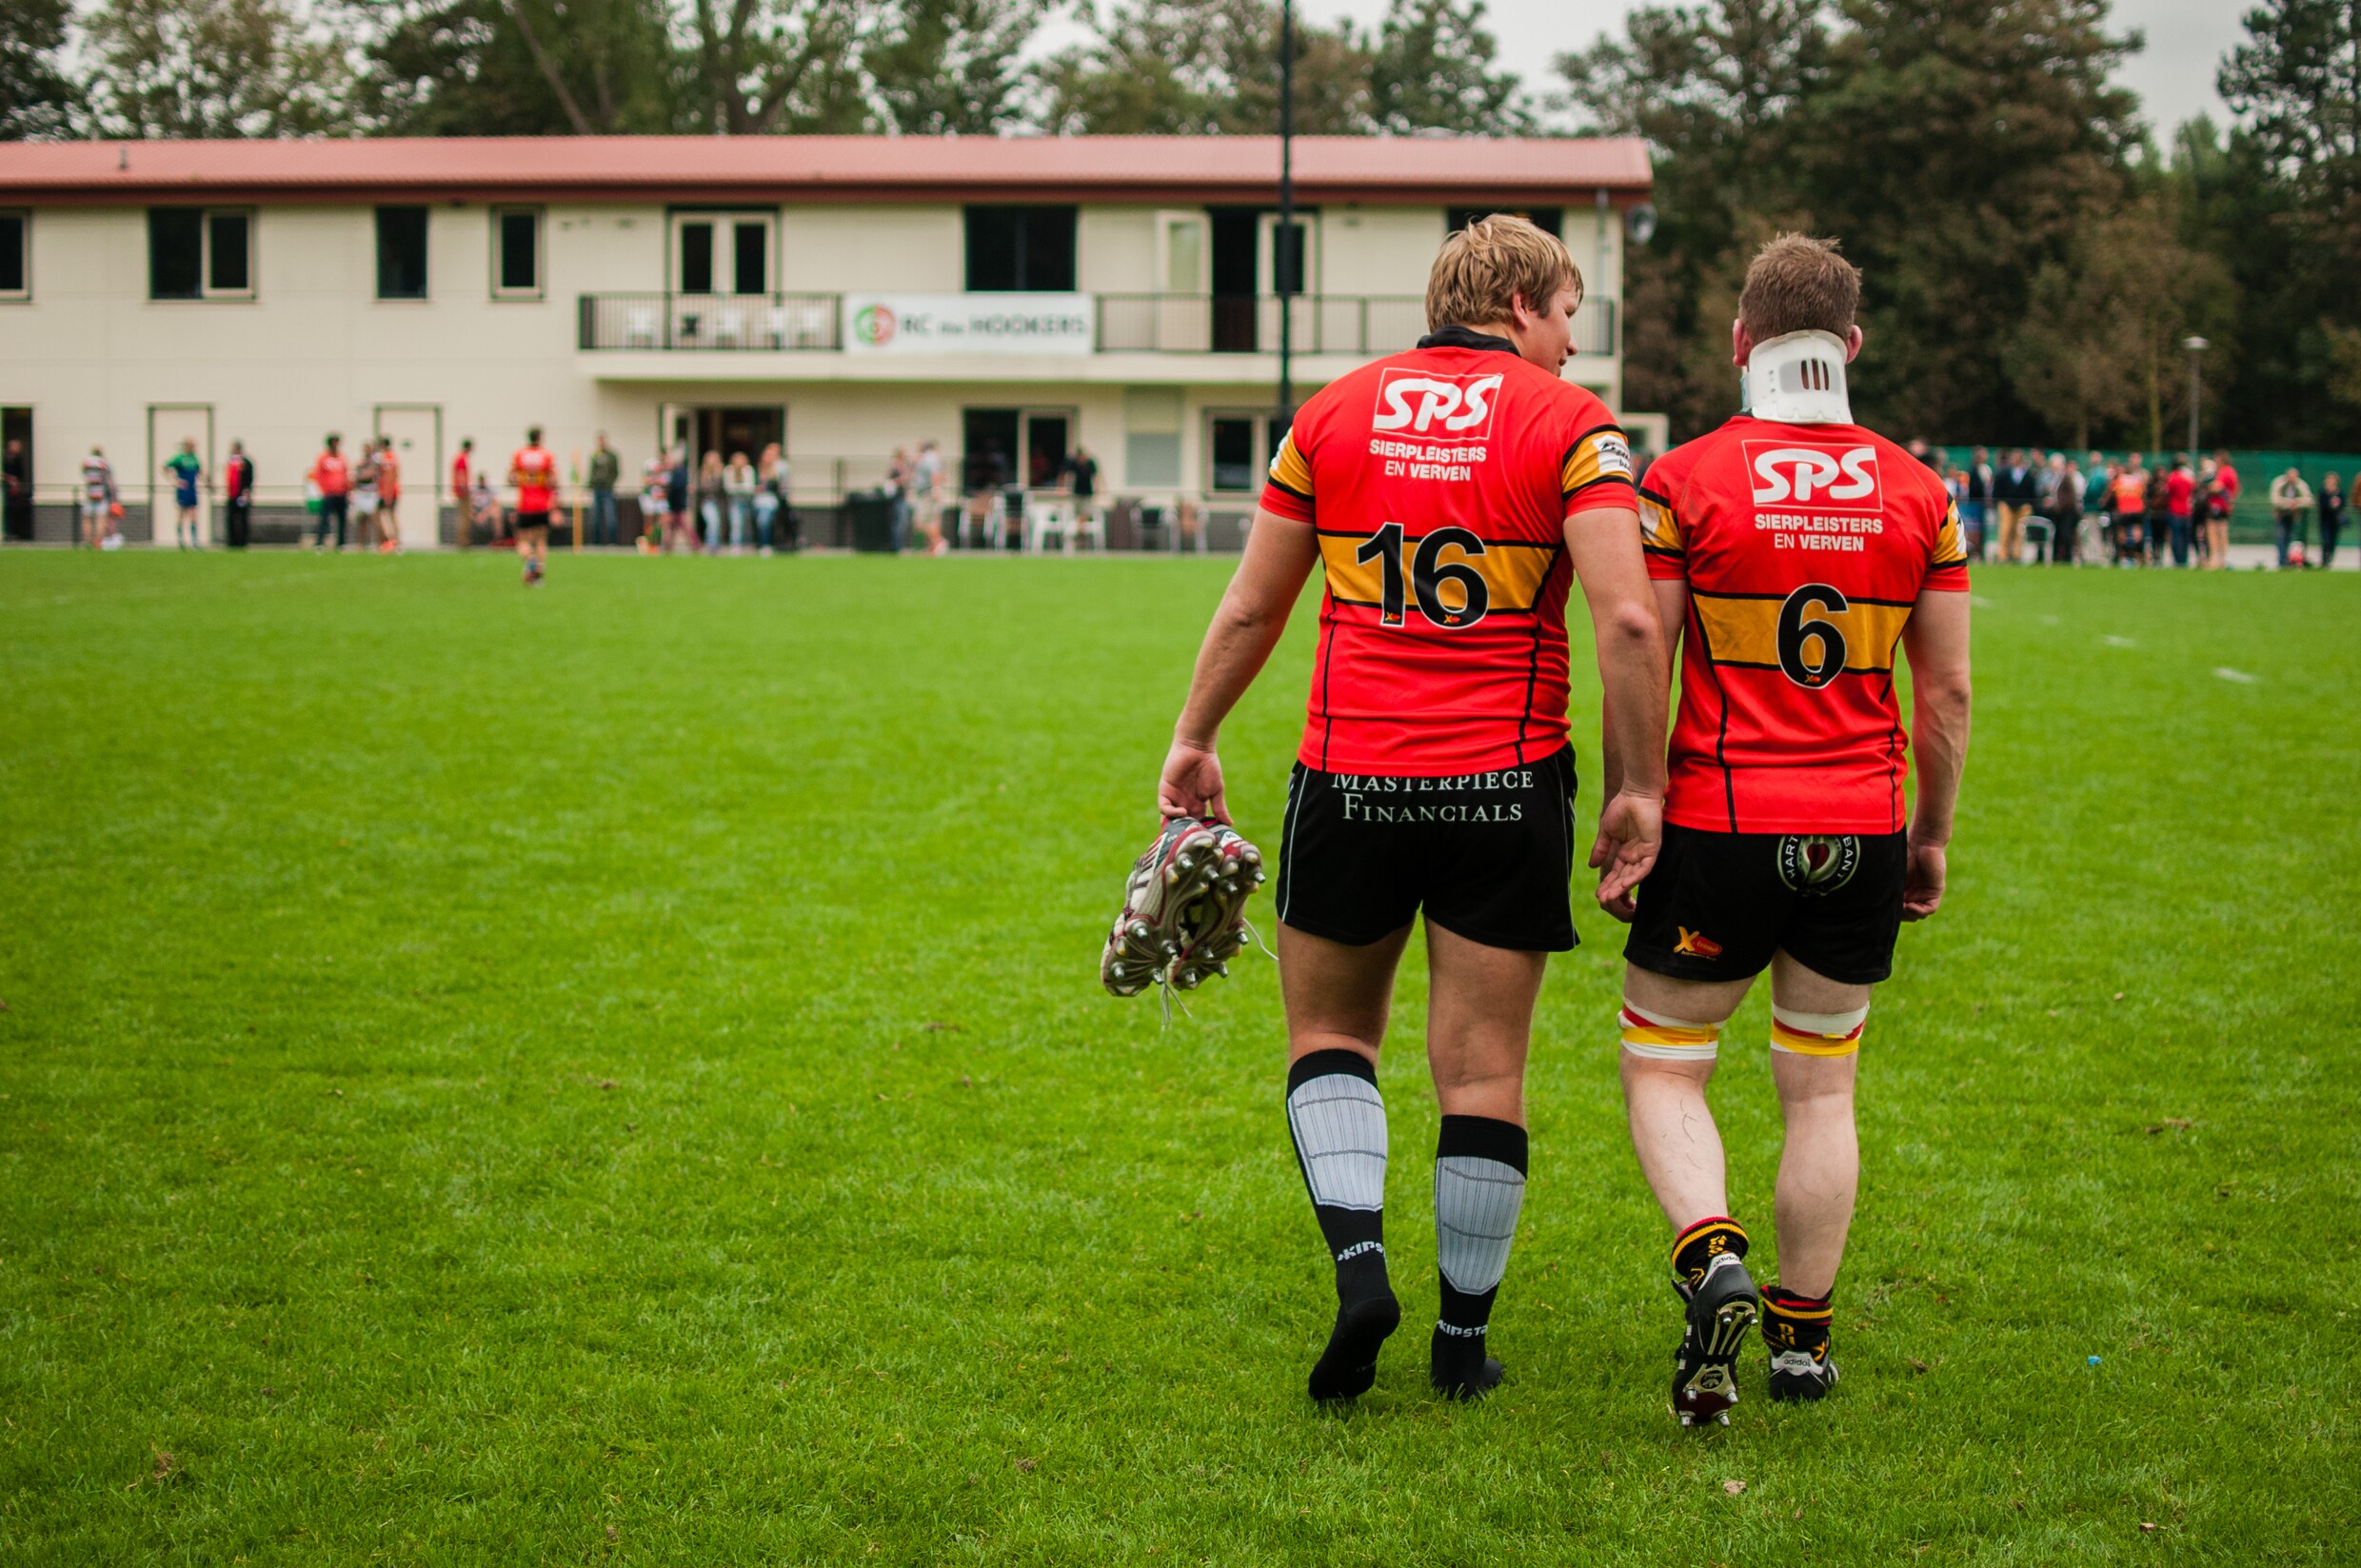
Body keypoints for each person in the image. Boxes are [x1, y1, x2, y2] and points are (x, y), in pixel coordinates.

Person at [1154, 214, 1668, 1404]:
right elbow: (1629, 620)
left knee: (1331, 1040)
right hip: (1506, 782)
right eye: (1567, 320)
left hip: (1349, 778)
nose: (1570, 347)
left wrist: (1194, 736)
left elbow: (1250, 607)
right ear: (1524, 304)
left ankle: (1359, 1274)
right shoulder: (1572, 426)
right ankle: (1458, 1344)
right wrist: (1638, 788)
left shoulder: (1329, 414)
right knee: (1480, 1073)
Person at [1617, 233, 1972, 1424]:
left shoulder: (1681, 480)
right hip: (1860, 826)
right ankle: (1802, 1343)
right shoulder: (1921, 492)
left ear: (1739, 342)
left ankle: (1710, 1259)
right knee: (1819, 1091)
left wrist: (1634, 805)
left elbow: (1647, 655)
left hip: (1719, 821)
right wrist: (1926, 838)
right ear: (1850, 347)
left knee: (1666, 1066)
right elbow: (1948, 696)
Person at [510, 425, 558, 586]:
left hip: (524, 504)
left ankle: (530, 560)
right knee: (541, 540)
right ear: (540, 437)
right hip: (542, 505)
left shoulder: (519, 455)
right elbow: (553, 481)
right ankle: (538, 573)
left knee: (522, 540)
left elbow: (511, 478)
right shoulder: (547, 456)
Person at [309, 434, 351, 552]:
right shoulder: (323, 458)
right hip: (329, 494)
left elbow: (346, 474)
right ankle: (320, 543)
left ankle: (341, 544)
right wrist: (325, 488)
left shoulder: (342, 458)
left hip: (342, 493)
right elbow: (318, 475)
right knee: (324, 519)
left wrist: (347, 488)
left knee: (342, 520)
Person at [1993, 448, 2034, 564]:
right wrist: (2000, 502)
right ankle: (2003, 554)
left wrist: (2028, 503)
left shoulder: (2027, 474)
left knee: (2019, 531)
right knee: (2005, 530)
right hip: (2007, 505)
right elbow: (1997, 489)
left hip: (2022, 506)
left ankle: (2017, 554)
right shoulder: (2004, 473)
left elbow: (2031, 490)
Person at [163, 437, 204, 549]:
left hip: (192, 489)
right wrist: (175, 481)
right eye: (192, 445)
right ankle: (181, 541)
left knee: (194, 514)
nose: (194, 448)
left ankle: (194, 541)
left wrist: (208, 481)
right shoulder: (179, 458)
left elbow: (200, 472)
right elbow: (165, 467)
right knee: (181, 514)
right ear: (187, 446)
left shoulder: (194, 458)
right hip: (183, 490)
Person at [2269, 467, 2312, 568]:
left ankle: (2295, 560)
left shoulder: (2301, 485)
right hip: (2282, 515)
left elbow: (2308, 500)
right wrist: (2289, 503)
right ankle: (2282, 561)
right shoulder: (2279, 483)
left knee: (2293, 538)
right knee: (2281, 537)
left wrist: (2296, 503)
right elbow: (2275, 500)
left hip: (2295, 516)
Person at [1062, 443, 1101, 548]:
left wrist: (1097, 488)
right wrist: (1062, 488)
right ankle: (1080, 534)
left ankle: (1079, 533)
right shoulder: (1073, 463)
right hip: (1076, 493)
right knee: (1078, 514)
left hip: (1088, 494)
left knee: (1085, 514)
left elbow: (1095, 476)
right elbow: (1064, 474)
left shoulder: (1090, 463)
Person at [2111, 456, 2147, 566]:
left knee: (2121, 534)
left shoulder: (2118, 481)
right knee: (2137, 534)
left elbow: (2112, 495)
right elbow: (2143, 494)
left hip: (2123, 510)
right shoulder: (2138, 482)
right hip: (2137, 510)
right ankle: (2139, 556)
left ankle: (2122, 555)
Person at [586, 432, 621, 548]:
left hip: (608, 489)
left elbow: (616, 472)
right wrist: (589, 486)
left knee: (610, 515)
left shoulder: (612, 456)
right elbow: (591, 472)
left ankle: (613, 541)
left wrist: (610, 483)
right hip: (596, 489)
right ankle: (596, 542)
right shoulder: (594, 455)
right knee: (595, 516)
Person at [913, 439, 947, 555]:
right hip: (925, 492)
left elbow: (935, 474)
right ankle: (932, 548)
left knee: (922, 521)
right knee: (930, 520)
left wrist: (936, 488)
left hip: (926, 493)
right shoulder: (930, 458)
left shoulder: (929, 458)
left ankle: (939, 542)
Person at [2047, 451, 2081, 565]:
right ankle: (2057, 557)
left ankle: (2067, 558)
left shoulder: (2065, 477)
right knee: (2059, 534)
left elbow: (2070, 495)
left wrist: (2060, 505)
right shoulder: (2056, 477)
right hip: (2059, 511)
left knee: (2066, 533)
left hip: (2067, 511)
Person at [2208, 450, 2240, 569]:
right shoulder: (2232, 472)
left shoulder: (2224, 471)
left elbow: (2217, 486)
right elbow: (2236, 488)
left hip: (2217, 506)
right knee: (2223, 532)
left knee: (2214, 533)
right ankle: (2222, 560)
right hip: (2225, 506)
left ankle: (2214, 560)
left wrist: (2208, 486)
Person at [81, 446, 116, 549]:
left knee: (87, 519)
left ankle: (87, 541)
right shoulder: (104, 463)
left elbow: (84, 475)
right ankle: (98, 542)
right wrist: (113, 496)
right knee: (100, 519)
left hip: (90, 493)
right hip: (101, 494)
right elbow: (108, 479)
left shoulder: (86, 462)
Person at [2164, 453, 2196, 567]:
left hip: (2175, 510)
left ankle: (2178, 560)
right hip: (2187, 511)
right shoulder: (2189, 477)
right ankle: (2184, 559)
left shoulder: (2173, 477)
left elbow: (2167, 491)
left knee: (2176, 537)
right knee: (2186, 537)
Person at [754, 442, 786, 555]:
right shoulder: (758, 469)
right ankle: (760, 544)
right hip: (758, 501)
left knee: (764, 521)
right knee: (760, 522)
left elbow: (781, 485)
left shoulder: (779, 468)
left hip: (770, 501)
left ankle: (766, 544)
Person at [1960, 447, 1993, 560]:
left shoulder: (1985, 469)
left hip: (1983, 504)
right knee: (1974, 528)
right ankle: (1975, 551)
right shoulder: (1972, 470)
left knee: (1982, 528)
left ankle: (1980, 550)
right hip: (1975, 504)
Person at [350, 439, 382, 550]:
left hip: (371, 493)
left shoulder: (375, 460)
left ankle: (381, 543)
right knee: (362, 520)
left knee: (375, 518)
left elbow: (369, 474)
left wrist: (358, 477)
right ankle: (361, 544)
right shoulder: (362, 461)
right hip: (361, 492)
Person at [724, 450, 757, 553]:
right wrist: (741, 488)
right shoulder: (728, 470)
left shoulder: (748, 470)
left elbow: (750, 487)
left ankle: (747, 544)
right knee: (736, 523)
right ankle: (735, 545)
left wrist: (739, 488)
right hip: (734, 501)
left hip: (747, 500)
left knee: (747, 523)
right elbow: (728, 488)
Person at [223, 441, 254, 549]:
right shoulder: (231, 462)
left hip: (241, 495)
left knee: (242, 518)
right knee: (231, 518)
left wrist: (246, 492)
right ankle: (232, 542)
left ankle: (242, 542)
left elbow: (249, 479)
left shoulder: (245, 463)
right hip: (232, 495)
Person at [375, 438, 403, 552]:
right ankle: (394, 541)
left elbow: (390, 477)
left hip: (388, 492)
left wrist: (388, 494)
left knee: (386, 516)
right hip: (388, 491)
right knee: (388, 516)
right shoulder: (391, 457)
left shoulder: (387, 458)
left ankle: (392, 540)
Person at [696, 450, 726, 555]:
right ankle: (711, 546)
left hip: (718, 503)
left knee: (716, 524)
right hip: (707, 503)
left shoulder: (722, 473)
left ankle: (715, 546)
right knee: (712, 522)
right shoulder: (702, 473)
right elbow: (702, 489)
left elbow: (721, 489)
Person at [2316, 473, 2345, 569]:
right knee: (2326, 541)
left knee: (2332, 542)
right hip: (2325, 521)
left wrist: (2338, 505)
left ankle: (2329, 561)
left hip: (2335, 522)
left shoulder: (2339, 493)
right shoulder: (2323, 493)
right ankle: (2324, 561)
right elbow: (2322, 506)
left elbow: (2343, 505)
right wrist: (2330, 504)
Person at [451, 438, 476, 548]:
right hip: (463, 492)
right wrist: (464, 489)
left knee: (464, 517)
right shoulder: (462, 458)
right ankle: (463, 541)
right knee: (464, 517)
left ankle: (463, 541)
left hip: (462, 491)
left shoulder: (461, 457)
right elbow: (461, 474)